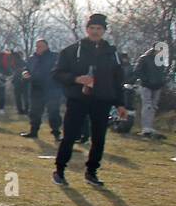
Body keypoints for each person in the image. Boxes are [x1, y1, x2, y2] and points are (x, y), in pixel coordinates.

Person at [52, 13, 127, 188]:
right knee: (70, 136)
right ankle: (59, 170)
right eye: (92, 28)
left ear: (104, 31)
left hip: (102, 100)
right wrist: (76, 79)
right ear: (86, 29)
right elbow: (56, 73)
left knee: (99, 138)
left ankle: (91, 172)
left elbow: (118, 81)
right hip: (78, 99)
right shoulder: (72, 51)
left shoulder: (112, 53)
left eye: (99, 28)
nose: (95, 31)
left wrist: (120, 103)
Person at [20, 38, 62, 140]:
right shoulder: (32, 58)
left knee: (53, 112)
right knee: (34, 111)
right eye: (37, 46)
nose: (38, 48)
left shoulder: (55, 57)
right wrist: (25, 73)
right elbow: (26, 69)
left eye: (41, 46)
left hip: (52, 89)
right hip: (36, 88)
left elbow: (60, 70)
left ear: (47, 46)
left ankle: (56, 133)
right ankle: (33, 131)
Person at [133, 42, 168, 139]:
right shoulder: (144, 58)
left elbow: (161, 73)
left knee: (154, 106)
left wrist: (162, 82)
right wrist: (145, 80)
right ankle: (145, 127)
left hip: (157, 86)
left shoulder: (160, 60)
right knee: (147, 105)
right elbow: (137, 71)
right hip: (146, 85)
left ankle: (150, 126)